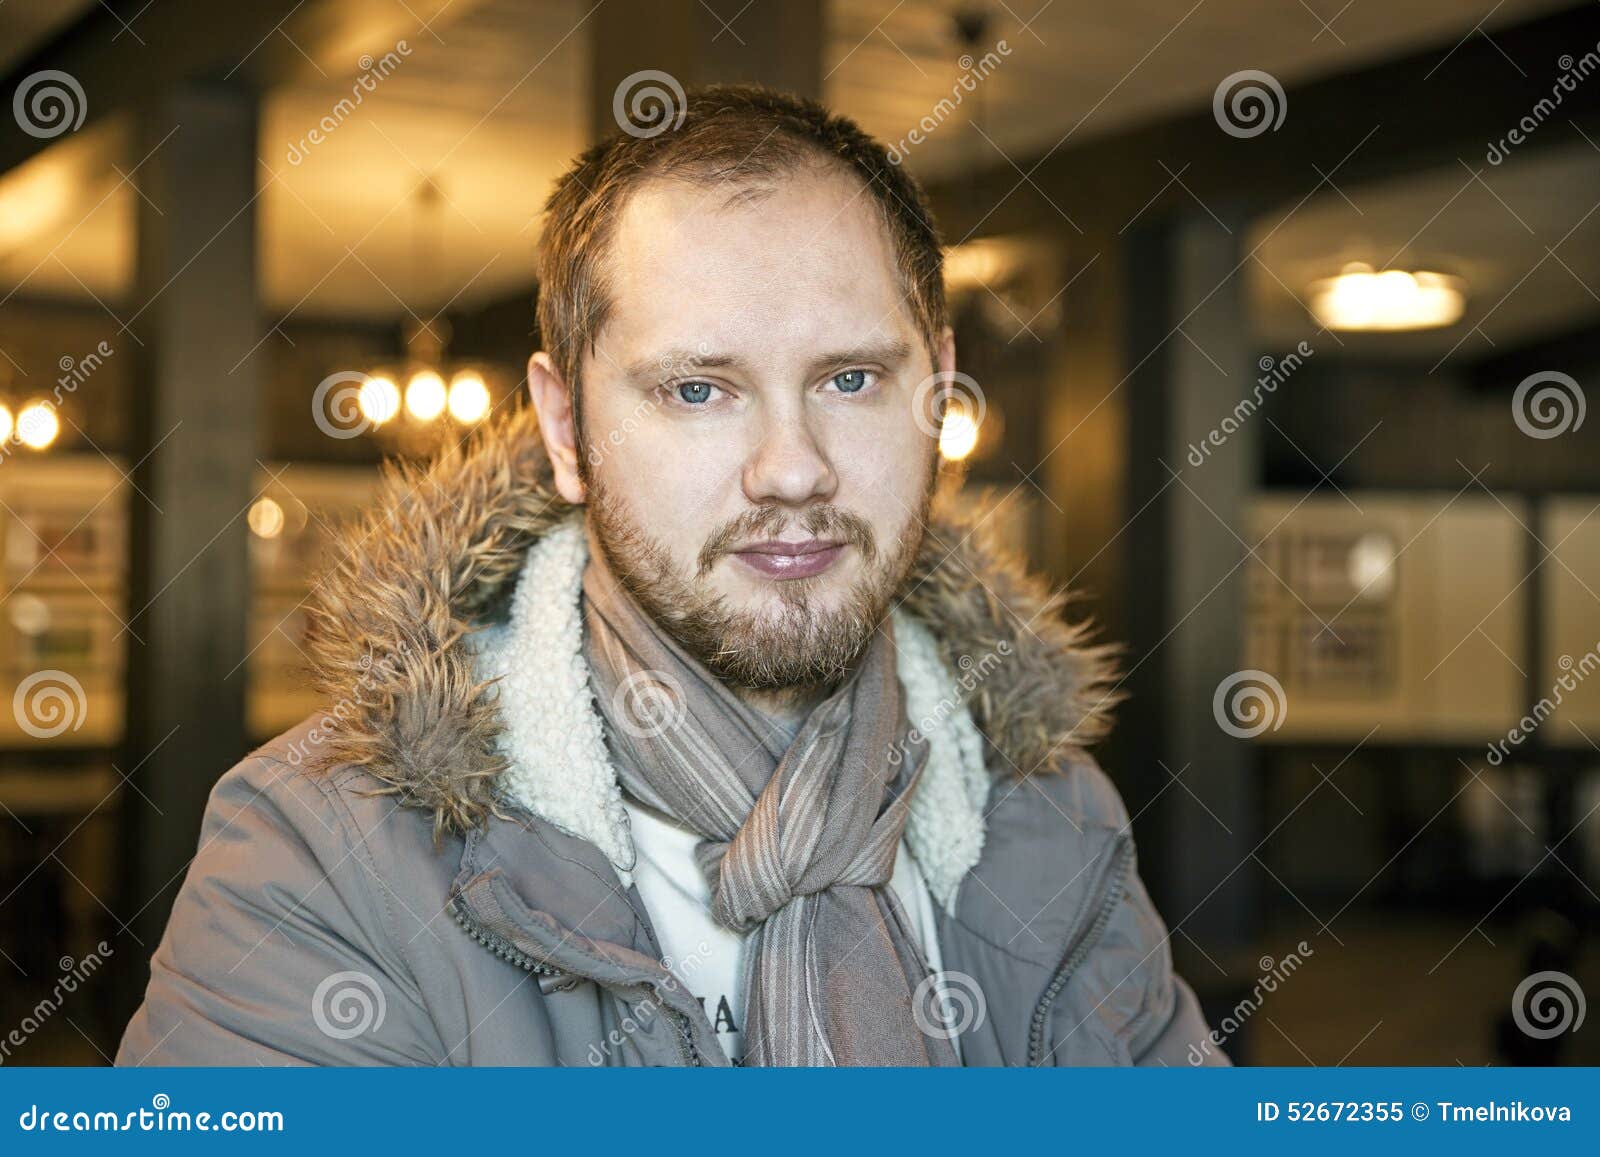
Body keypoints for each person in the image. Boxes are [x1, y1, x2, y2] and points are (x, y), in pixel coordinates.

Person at [116, 83, 1222, 1067]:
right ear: (565, 428)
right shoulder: (323, 855)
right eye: (698, 389)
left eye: (848, 377)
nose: (792, 466)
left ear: (935, 389)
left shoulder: (1052, 815)